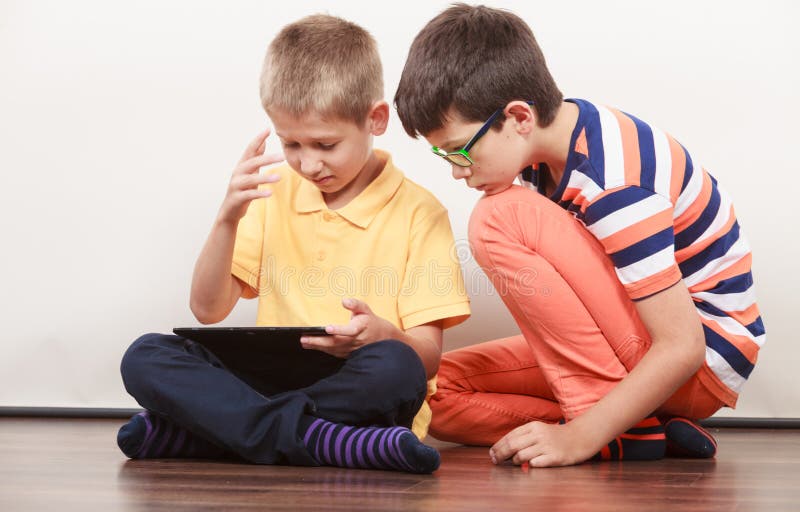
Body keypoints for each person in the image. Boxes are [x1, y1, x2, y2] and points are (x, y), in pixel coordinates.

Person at [393, 4, 764, 467]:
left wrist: (580, 437)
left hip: (696, 362)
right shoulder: (542, 155)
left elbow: (682, 346)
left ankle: (597, 422)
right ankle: (637, 431)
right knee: (429, 394)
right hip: (631, 347)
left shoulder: (614, 182)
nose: (455, 172)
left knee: (497, 219)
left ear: (519, 117)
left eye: (460, 151)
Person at [116, 14, 470, 474]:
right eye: (292, 144)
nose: (308, 163)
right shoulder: (271, 192)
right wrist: (227, 217)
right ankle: (323, 439)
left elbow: (425, 357)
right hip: (269, 382)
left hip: (354, 382)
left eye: (325, 144)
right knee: (145, 354)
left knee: (397, 369)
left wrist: (383, 334)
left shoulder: (420, 212)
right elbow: (207, 309)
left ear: (375, 119)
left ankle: (208, 432)